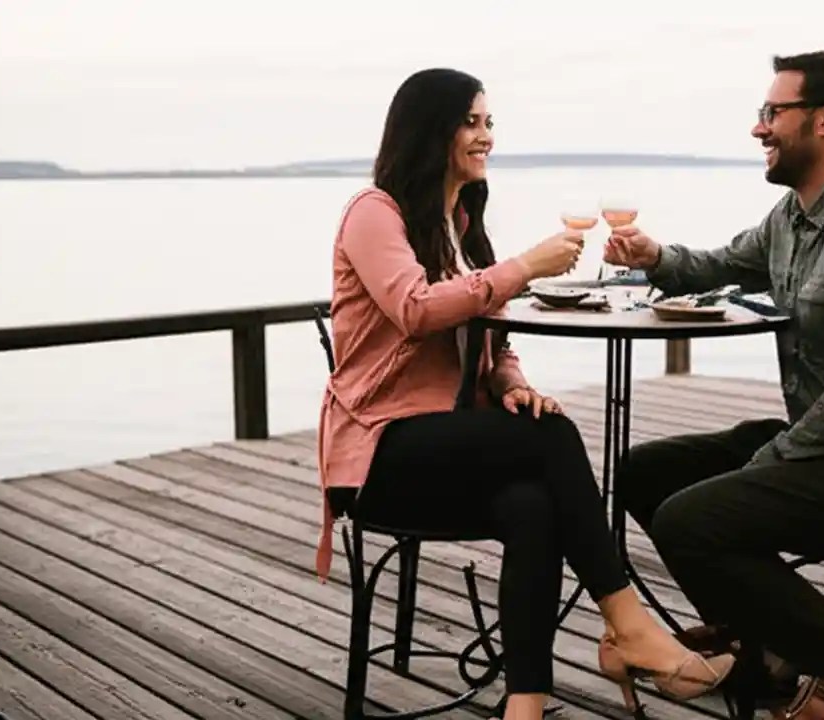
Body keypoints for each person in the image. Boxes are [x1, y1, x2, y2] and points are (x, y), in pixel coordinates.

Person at [315, 67, 735, 720]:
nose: (486, 137)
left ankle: (526, 706)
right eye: (471, 122)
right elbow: (416, 310)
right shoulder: (375, 213)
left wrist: (514, 386)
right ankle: (630, 627)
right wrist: (524, 268)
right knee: (553, 438)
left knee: (534, 502)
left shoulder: (459, 222)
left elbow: (494, 343)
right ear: (432, 131)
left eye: (489, 123)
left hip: (449, 446)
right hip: (380, 454)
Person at [603, 51, 824, 719]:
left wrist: (762, 465)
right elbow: (721, 264)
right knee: (643, 472)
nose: (758, 128)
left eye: (773, 113)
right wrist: (654, 256)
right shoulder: (795, 217)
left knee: (693, 517)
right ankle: (764, 643)